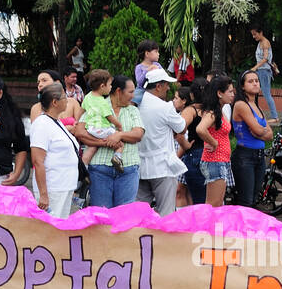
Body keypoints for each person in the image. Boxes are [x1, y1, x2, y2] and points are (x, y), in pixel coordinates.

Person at [136, 67, 188, 215]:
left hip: (141, 165)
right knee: (166, 212)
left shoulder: (136, 105)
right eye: (166, 85)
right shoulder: (165, 107)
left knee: (139, 213)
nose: (168, 88)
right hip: (162, 166)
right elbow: (182, 127)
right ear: (158, 86)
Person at [86, 74, 144, 207]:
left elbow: (138, 134)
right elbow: (81, 132)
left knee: (124, 216)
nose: (133, 96)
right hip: (100, 169)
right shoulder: (97, 104)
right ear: (118, 91)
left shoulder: (133, 110)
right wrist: (105, 142)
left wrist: (119, 135)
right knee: (101, 216)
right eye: (130, 92)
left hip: (128, 169)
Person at [29, 83, 83, 218]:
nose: (68, 101)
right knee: (51, 230)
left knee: (60, 228)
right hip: (53, 188)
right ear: (55, 102)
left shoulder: (56, 122)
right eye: (64, 97)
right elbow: (37, 161)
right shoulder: (41, 124)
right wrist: (43, 194)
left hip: (64, 186)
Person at [230, 70, 274, 209]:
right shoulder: (241, 105)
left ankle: (249, 230)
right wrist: (260, 132)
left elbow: (270, 135)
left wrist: (259, 133)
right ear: (242, 86)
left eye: (257, 80)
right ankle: (241, 230)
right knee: (246, 201)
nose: (255, 83)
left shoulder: (257, 106)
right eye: (251, 81)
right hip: (245, 156)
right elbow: (259, 130)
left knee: (254, 199)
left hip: (259, 156)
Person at [197, 77, 236, 207]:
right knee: (213, 205)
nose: (232, 94)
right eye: (230, 91)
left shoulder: (220, 111)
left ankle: (214, 227)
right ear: (219, 93)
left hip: (220, 161)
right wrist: (214, 143)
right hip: (215, 161)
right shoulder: (212, 112)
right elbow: (200, 129)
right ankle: (207, 228)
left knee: (218, 204)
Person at [174, 85, 205, 206]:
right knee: (186, 192)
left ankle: (187, 220)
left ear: (184, 100)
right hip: (184, 156)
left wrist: (179, 155)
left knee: (182, 190)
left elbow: (182, 136)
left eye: (176, 98)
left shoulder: (187, 115)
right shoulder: (183, 113)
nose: (173, 101)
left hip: (184, 156)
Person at [248, 25, 279, 122]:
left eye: (255, 34)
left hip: (264, 71)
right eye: (252, 35)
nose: (254, 37)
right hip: (260, 71)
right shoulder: (261, 42)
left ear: (261, 32)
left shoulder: (265, 43)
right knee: (255, 91)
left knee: (266, 94)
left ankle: (275, 117)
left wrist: (255, 68)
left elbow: (265, 58)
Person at [133, 40, 163, 105]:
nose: (158, 54)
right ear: (147, 54)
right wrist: (147, 71)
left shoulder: (157, 65)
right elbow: (140, 82)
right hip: (142, 91)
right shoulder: (139, 67)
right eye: (156, 51)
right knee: (134, 98)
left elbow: (164, 77)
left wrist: (159, 71)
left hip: (155, 91)